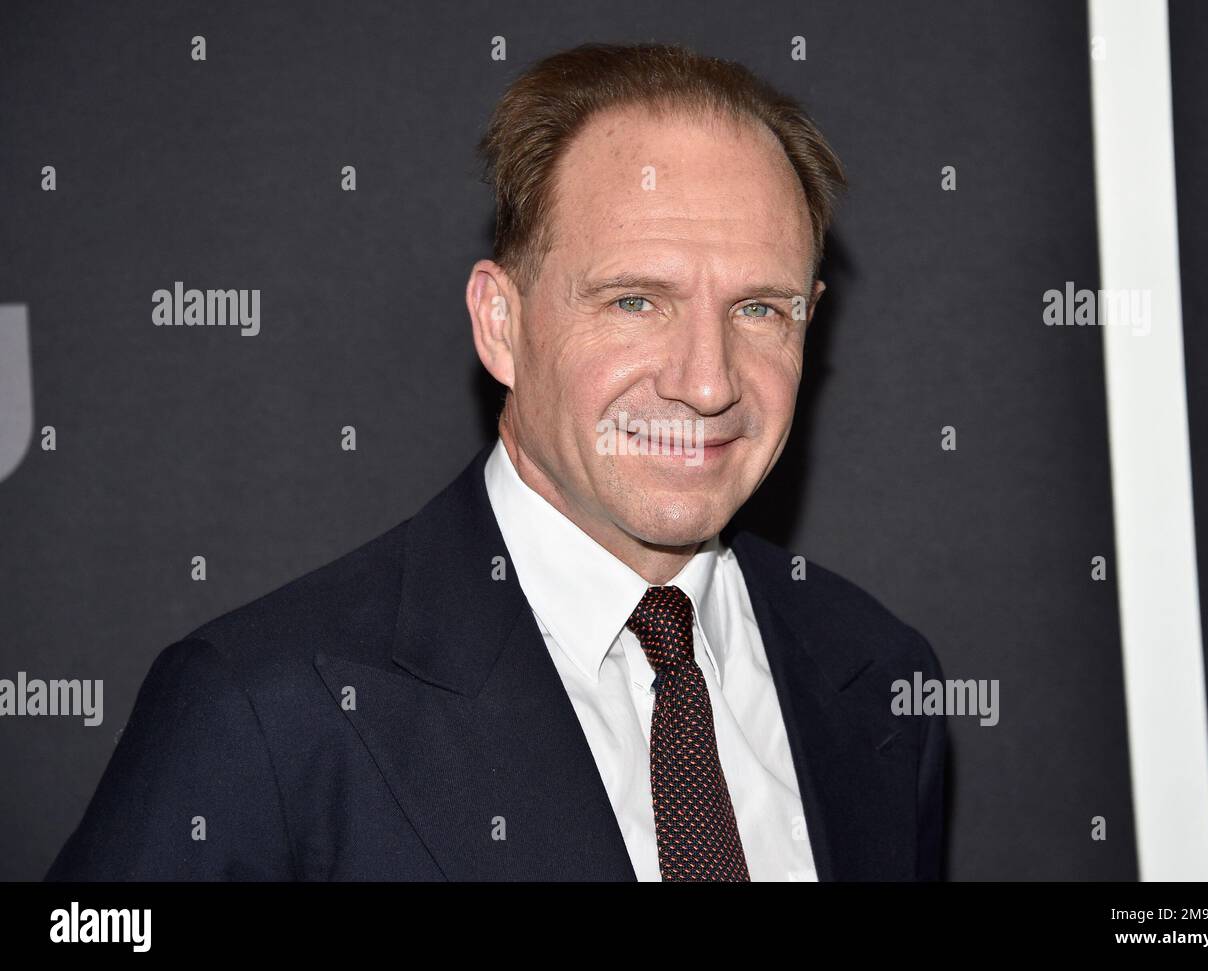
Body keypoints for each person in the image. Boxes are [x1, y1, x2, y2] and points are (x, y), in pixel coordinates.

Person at [46, 41, 946, 882]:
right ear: (502, 324)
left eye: (759, 309)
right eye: (636, 300)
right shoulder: (264, 710)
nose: (706, 383)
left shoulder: (878, 678)